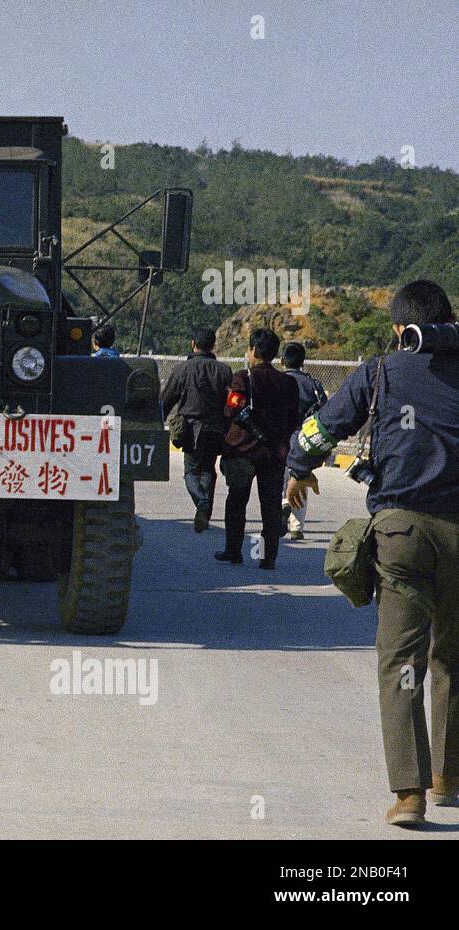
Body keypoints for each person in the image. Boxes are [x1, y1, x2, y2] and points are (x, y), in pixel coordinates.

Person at [287, 280, 459, 828]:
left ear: (399, 329)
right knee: (452, 657)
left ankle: (409, 795)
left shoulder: (382, 372)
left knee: (400, 662)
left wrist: (296, 464)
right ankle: (448, 778)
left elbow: (322, 429)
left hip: (402, 534)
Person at [215, 328, 300, 568]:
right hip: (275, 454)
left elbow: (231, 409)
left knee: (237, 502)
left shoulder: (243, 378)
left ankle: (233, 550)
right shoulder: (289, 383)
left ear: (253, 350)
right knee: (271, 506)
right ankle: (267, 557)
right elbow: (295, 419)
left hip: (243, 451)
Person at [159, 327, 233, 532]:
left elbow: (166, 400)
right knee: (209, 469)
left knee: (191, 472)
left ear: (193, 344)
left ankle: (201, 502)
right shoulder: (224, 371)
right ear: (213, 345)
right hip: (216, 429)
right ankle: (205, 513)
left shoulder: (182, 369)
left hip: (190, 430)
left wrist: (158, 424)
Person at [279, 342, 328, 540]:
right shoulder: (313, 384)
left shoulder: (279, 380)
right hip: (304, 438)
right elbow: (325, 411)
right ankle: (297, 527)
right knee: (300, 477)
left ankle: (283, 504)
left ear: (282, 360)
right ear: (303, 362)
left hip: (281, 437)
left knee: (281, 477)